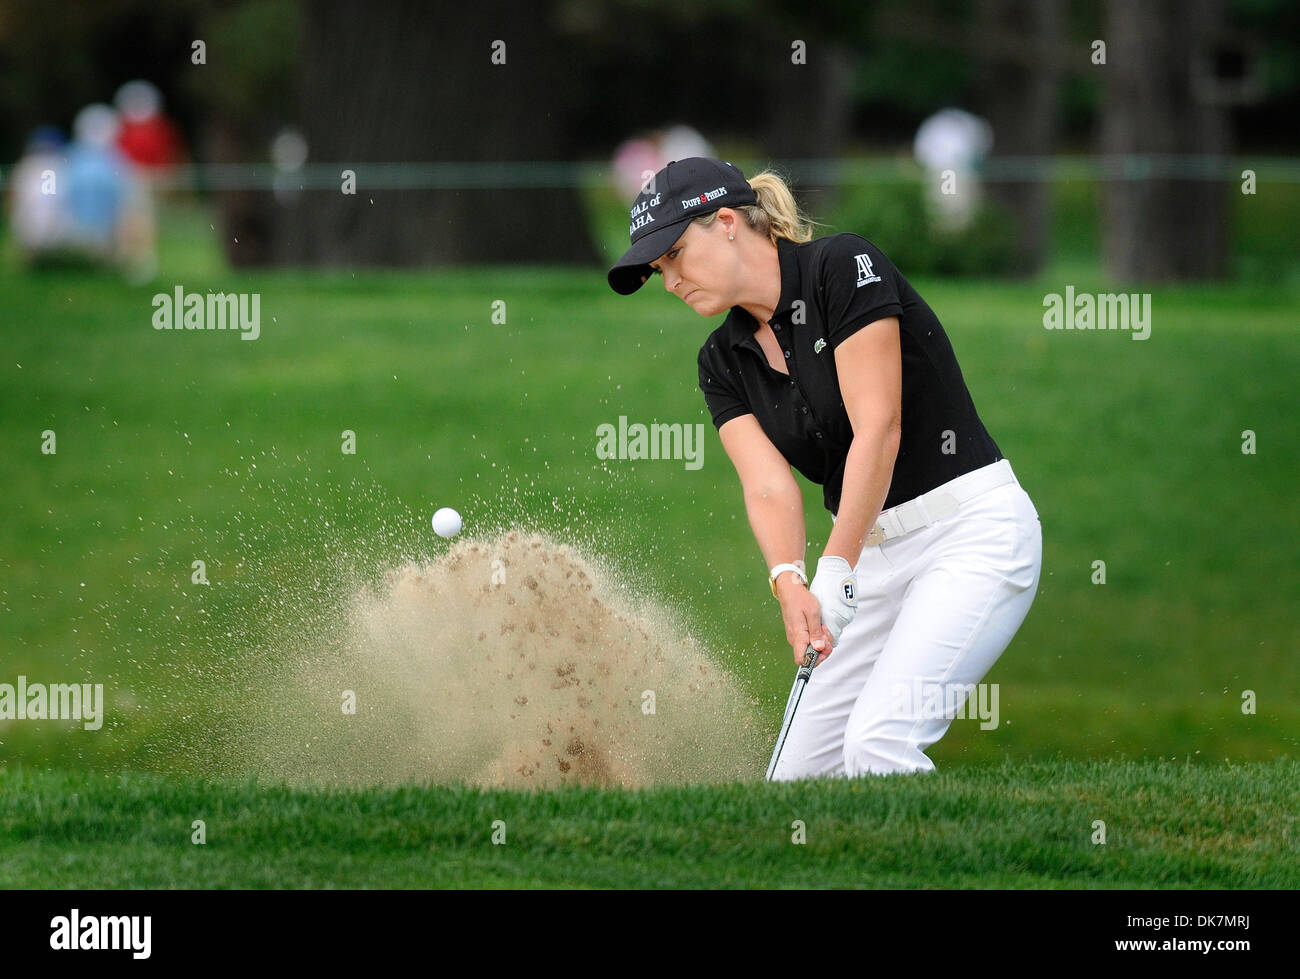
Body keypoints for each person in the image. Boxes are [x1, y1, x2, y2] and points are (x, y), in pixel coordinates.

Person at [606, 157, 1042, 778]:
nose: (671, 281)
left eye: (675, 254)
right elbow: (766, 484)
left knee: (878, 746)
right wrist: (789, 581)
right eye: (658, 271)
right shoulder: (721, 360)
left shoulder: (841, 267)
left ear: (726, 221)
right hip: (868, 560)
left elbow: (878, 428)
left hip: (969, 534)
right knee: (795, 783)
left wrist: (833, 568)